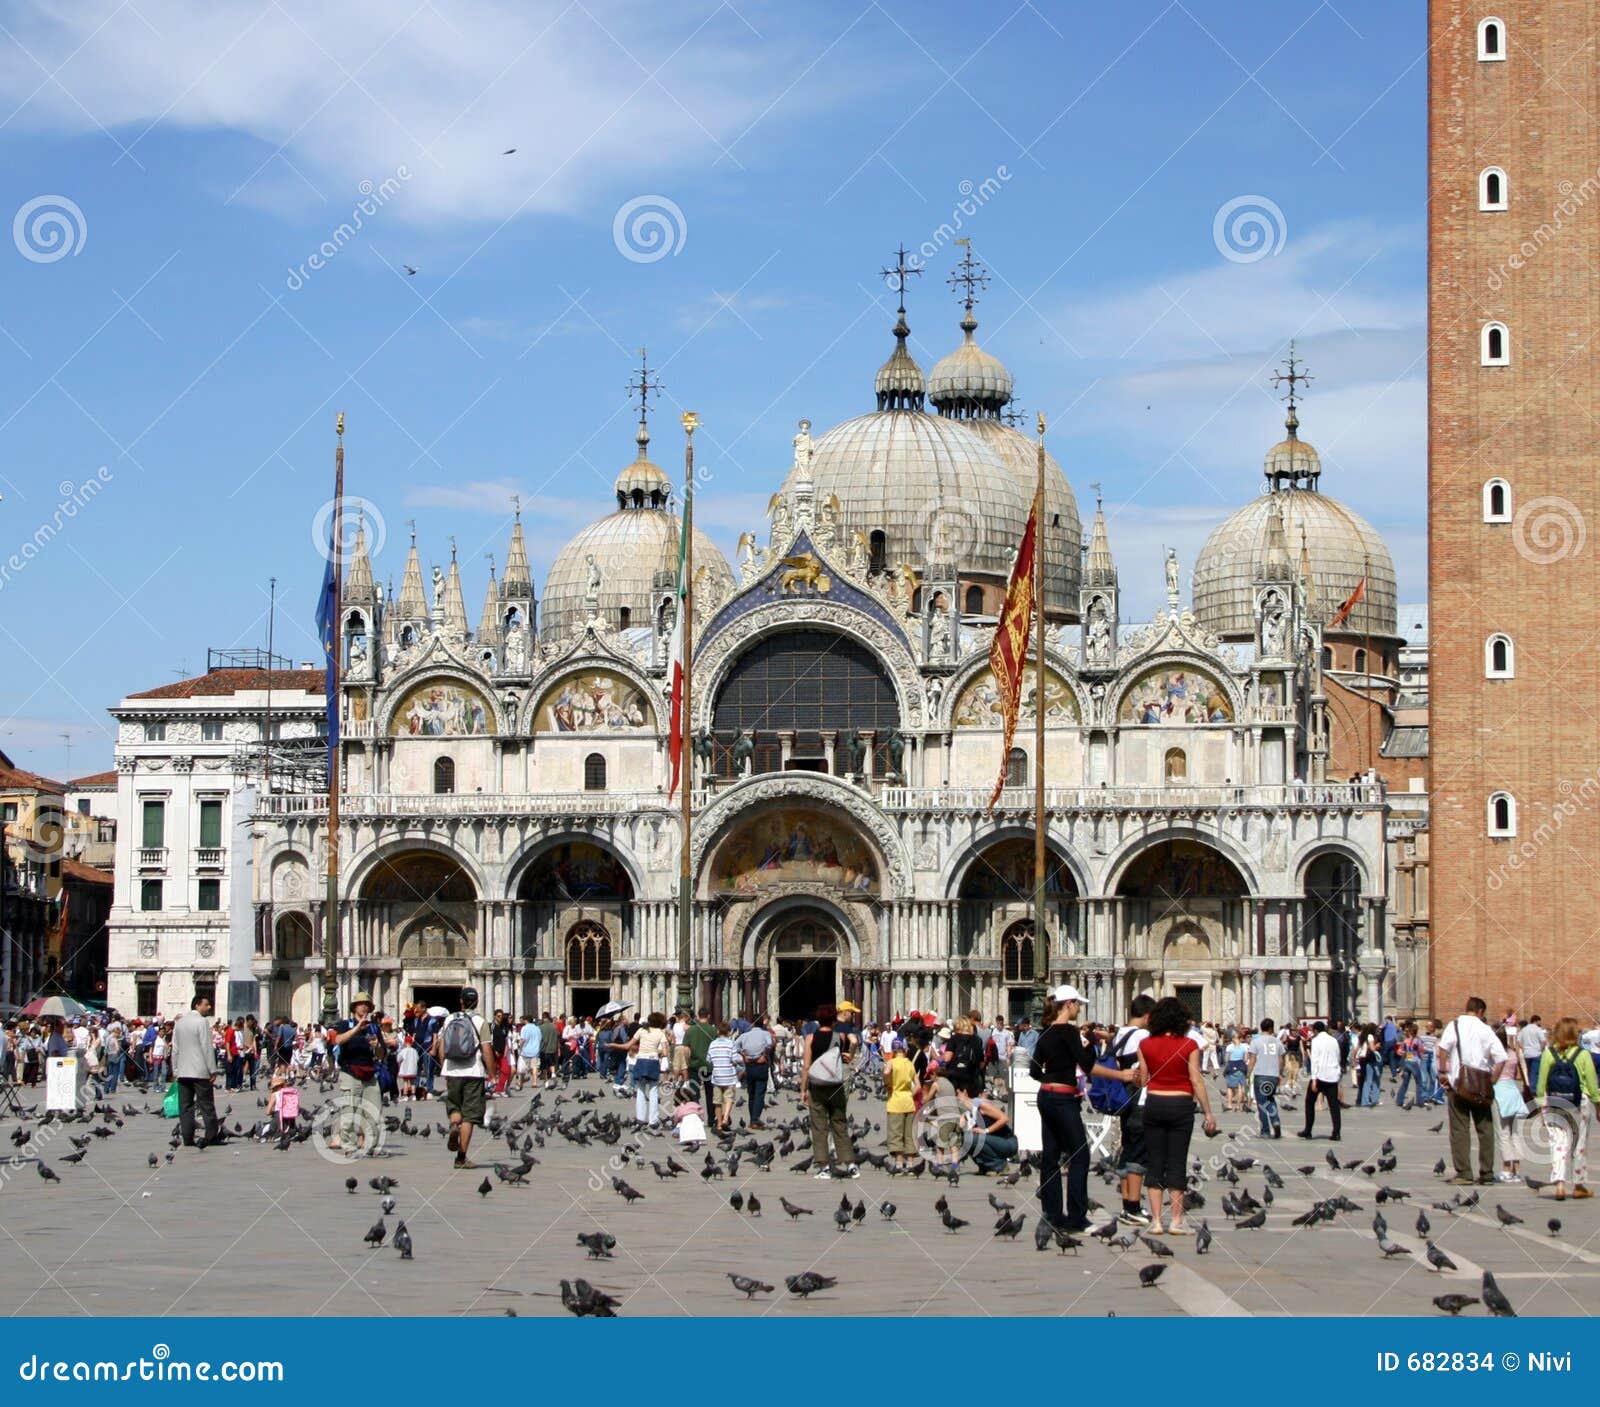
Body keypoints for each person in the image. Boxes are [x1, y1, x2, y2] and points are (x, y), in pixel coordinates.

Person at [1136, 996, 1216, 1235]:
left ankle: (1157, 1221)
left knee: (1155, 1162)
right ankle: (1177, 1220)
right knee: (1177, 1162)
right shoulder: (1189, 1046)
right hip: (1181, 1104)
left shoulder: (1145, 1045)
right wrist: (1209, 1113)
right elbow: (1196, 1080)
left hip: (1154, 1103)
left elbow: (1143, 1079)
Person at [1030, 984, 1099, 1234]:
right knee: (1079, 1154)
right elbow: (1087, 1065)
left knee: (1050, 1156)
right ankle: (1077, 1218)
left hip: (1045, 1096)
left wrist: (1052, 1076)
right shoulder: (1069, 1032)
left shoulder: (1045, 1033)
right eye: (1078, 1004)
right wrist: (1092, 1049)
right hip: (1063, 1098)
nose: (1079, 1008)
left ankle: (1053, 1214)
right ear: (1068, 1004)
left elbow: (1034, 1071)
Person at [1092, 993, 1153, 1224]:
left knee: (1128, 1151)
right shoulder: (1143, 1035)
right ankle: (1134, 1207)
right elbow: (1144, 1071)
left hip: (1123, 1100)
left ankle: (1127, 1205)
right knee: (1138, 1154)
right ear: (1147, 1016)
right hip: (1138, 1100)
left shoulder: (1120, 1033)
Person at [1438, 995, 1509, 1186]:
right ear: (1480, 1012)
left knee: (1459, 1129)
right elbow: (1502, 1058)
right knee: (1485, 1130)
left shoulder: (1454, 1026)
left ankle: (1464, 1173)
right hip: (1481, 1086)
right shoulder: (1486, 1029)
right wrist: (1492, 1081)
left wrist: (1443, 1072)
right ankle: (1486, 1173)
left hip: (1458, 1084)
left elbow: (1443, 1049)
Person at [1534, 1018, 1598, 1200]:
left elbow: (1540, 1083)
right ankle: (1578, 1185)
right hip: (1579, 1103)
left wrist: (1540, 1105)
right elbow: (1593, 1085)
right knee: (1580, 1144)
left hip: (1554, 1102)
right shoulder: (1583, 1054)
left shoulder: (1548, 1053)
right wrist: (1597, 1104)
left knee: (1558, 1143)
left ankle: (1560, 1184)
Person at [432, 986, 496, 1169]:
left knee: (454, 1106)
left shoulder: (449, 1019)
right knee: (470, 1115)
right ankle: (461, 1157)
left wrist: (445, 1066)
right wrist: (492, 1073)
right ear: (476, 1002)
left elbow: (442, 1047)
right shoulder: (480, 1021)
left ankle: (453, 1125)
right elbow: (486, 1050)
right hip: (473, 1072)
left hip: (452, 1072)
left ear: (460, 1001)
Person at [800, 1003, 857, 1177]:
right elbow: (852, 1043)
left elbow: (807, 1066)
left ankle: (824, 1167)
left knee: (819, 1127)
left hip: (817, 1086)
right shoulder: (840, 1036)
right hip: (836, 1086)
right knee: (839, 1124)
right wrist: (850, 1055)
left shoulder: (810, 1038)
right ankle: (851, 1165)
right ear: (833, 1021)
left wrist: (803, 1089)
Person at [329, 992, 389, 1156]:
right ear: (354, 1007)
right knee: (349, 1112)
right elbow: (338, 1040)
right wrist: (357, 1028)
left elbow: (382, 1054)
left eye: (366, 1004)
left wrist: (377, 1046)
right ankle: (349, 1146)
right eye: (360, 1003)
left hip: (369, 1073)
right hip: (350, 1072)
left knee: (374, 1112)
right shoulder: (345, 1024)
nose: (364, 1006)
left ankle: (371, 1146)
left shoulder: (374, 1027)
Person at [172, 993, 222, 1149]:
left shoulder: (179, 1023)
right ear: (197, 1005)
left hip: (183, 1072)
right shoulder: (202, 1022)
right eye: (206, 1004)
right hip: (200, 1072)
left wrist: (175, 1069)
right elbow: (206, 1047)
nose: (209, 1007)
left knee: (185, 1107)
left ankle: (187, 1138)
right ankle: (211, 1136)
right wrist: (212, 1070)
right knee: (206, 1105)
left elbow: (175, 1048)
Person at [1297, 1021, 1344, 1141]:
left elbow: (1315, 1061)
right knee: (1334, 1106)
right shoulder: (1333, 1040)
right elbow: (1338, 1057)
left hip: (1320, 1077)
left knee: (1309, 1103)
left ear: (1316, 1031)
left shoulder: (1316, 1041)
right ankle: (1336, 1132)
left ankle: (1308, 1130)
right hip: (1332, 1076)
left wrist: (1313, 1079)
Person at [624, 1012, 671, 1127]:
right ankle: (653, 1120)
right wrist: (660, 1054)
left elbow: (629, 1044)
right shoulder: (661, 1033)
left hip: (641, 1061)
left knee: (640, 1090)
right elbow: (665, 1051)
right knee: (653, 1091)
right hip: (653, 1062)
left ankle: (640, 1118)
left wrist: (613, 1045)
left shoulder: (641, 1031)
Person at [960, 1089, 1018, 1173]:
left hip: (1007, 1142)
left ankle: (999, 1165)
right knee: (962, 1138)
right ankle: (985, 1167)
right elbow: (959, 1127)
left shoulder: (981, 1105)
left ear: (964, 1092)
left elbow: (1005, 1119)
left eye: (957, 1095)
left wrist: (985, 1130)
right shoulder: (968, 1112)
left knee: (971, 1138)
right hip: (993, 1142)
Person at [883, 1039, 917, 1171]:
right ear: (905, 1050)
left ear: (893, 1050)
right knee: (909, 1134)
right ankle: (910, 1164)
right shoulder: (910, 1064)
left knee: (896, 1133)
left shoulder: (891, 1062)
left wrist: (887, 1083)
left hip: (895, 1102)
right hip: (908, 1102)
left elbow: (886, 1073)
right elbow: (918, 1086)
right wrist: (909, 1094)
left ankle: (898, 1163)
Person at [1248, 1017, 1285, 1138]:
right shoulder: (1277, 1041)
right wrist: (1280, 1073)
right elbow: (1281, 1060)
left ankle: (1265, 1130)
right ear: (1271, 1028)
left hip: (1260, 1075)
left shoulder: (1256, 1042)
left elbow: (1252, 1060)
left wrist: (1248, 1074)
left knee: (1261, 1104)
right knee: (1270, 1099)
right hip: (1273, 1076)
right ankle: (1275, 1120)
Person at [734, 1017, 774, 1128]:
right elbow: (769, 1045)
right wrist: (764, 1055)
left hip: (749, 1065)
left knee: (751, 1094)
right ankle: (755, 1120)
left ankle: (753, 1119)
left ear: (753, 1024)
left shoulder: (745, 1035)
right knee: (759, 1093)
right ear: (763, 1024)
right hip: (760, 1064)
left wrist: (744, 1055)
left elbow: (735, 1045)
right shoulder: (765, 1034)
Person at [705, 1022, 744, 1131]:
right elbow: (735, 1058)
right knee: (729, 1099)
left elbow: (708, 1060)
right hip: (729, 1076)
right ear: (729, 1032)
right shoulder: (731, 1044)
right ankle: (725, 1118)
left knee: (717, 1102)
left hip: (717, 1076)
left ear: (717, 1032)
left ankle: (718, 1123)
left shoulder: (712, 1044)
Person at [943, 1016, 986, 1097]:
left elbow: (947, 1058)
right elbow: (981, 1063)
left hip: (955, 1075)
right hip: (972, 1076)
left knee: (956, 1100)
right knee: (970, 1102)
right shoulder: (977, 1040)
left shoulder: (954, 1038)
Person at [1222, 1028, 1251, 1112]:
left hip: (1231, 1066)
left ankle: (1230, 1104)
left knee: (1230, 1087)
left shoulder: (1229, 1047)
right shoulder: (1244, 1046)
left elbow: (1226, 1059)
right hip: (1241, 1066)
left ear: (1233, 1038)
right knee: (1240, 1087)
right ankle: (1238, 1106)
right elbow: (1245, 1059)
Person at [1520, 1014, 1548, 1092]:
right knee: (1535, 1072)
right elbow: (1543, 1041)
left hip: (1527, 1053)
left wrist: (1524, 1048)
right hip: (1536, 1053)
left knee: (1529, 1071)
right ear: (1536, 1021)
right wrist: (1541, 1050)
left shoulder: (1524, 1029)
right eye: (1539, 1022)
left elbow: (1519, 1041)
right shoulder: (1538, 1029)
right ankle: (1533, 1090)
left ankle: (1529, 1088)